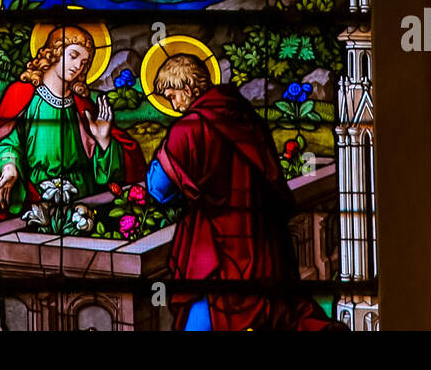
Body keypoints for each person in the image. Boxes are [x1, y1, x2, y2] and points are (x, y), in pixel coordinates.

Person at [145, 53, 342, 330]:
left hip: (214, 246)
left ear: (188, 89)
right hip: (262, 238)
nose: (174, 104)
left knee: (204, 314)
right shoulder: (244, 114)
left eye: (173, 95)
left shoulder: (189, 128)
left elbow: (158, 189)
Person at [0, 25, 141, 217]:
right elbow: (6, 142)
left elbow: (108, 175)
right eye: (73, 56)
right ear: (54, 53)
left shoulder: (83, 107)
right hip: (37, 198)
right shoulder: (23, 97)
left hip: (83, 200)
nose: (78, 66)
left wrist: (103, 142)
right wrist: (9, 167)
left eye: (84, 62)